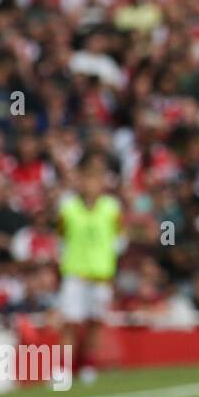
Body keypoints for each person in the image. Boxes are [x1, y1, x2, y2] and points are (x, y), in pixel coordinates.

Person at [56, 163, 121, 382]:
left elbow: (120, 237)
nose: (91, 185)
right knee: (69, 323)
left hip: (101, 275)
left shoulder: (111, 207)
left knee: (95, 323)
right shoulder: (68, 207)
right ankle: (63, 369)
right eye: (87, 180)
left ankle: (88, 366)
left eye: (95, 180)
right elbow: (60, 234)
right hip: (75, 274)